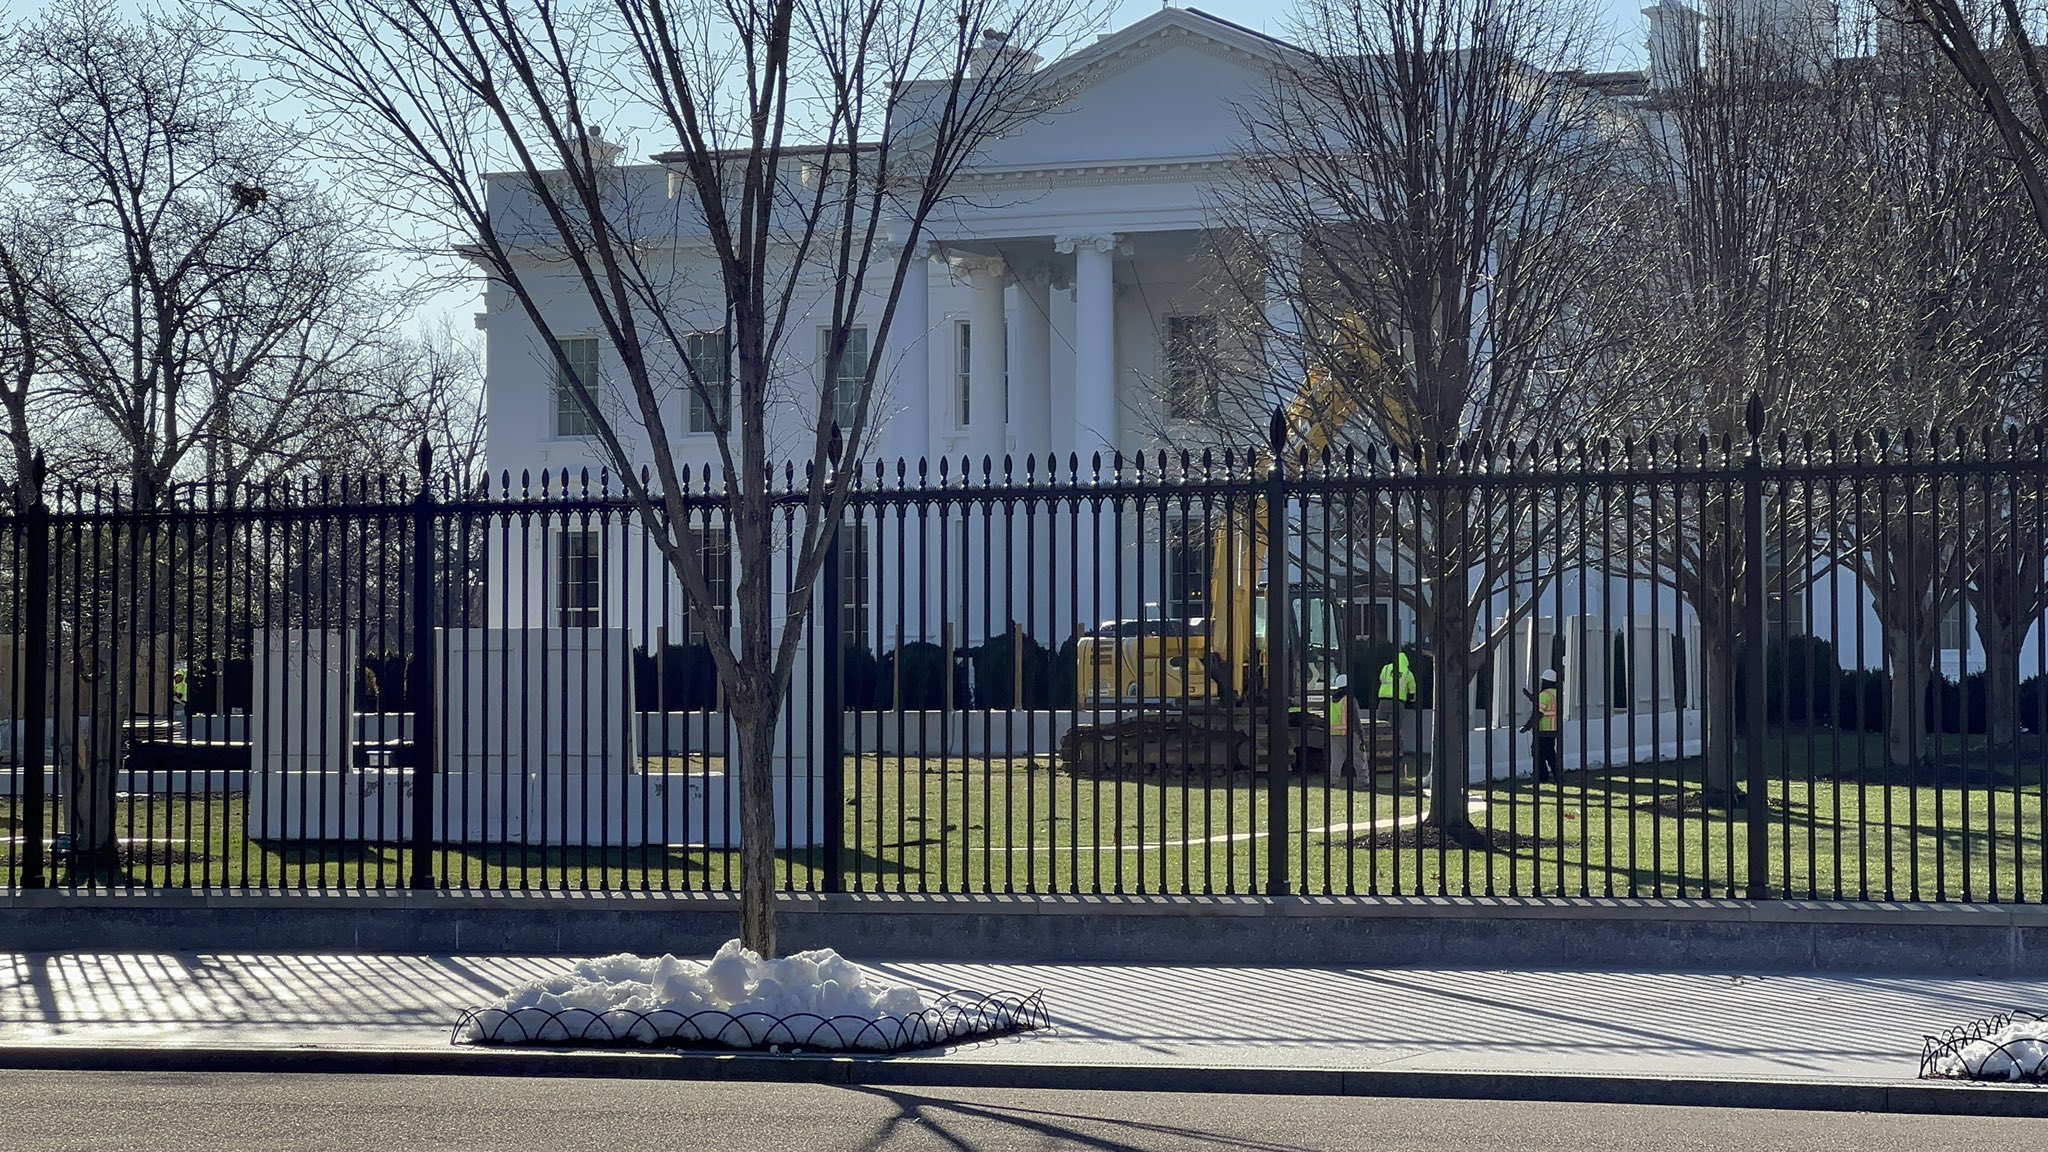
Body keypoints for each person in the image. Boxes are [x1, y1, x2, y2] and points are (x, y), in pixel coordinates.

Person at [1520, 668, 1561, 783]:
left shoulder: (1544, 694)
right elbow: (1544, 704)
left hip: (1543, 730)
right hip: (1554, 729)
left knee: (1538, 753)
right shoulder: (1556, 694)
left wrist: (1527, 727)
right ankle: (1558, 775)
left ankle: (1542, 776)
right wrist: (1530, 696)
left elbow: (1538, 713)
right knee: (1550, 753)